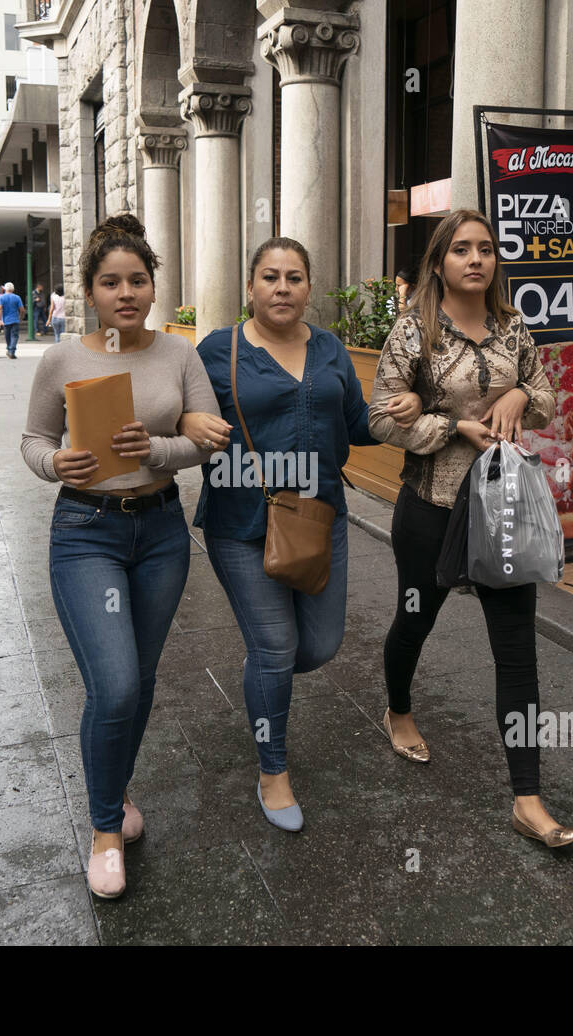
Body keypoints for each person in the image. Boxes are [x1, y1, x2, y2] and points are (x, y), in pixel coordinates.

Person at [179, 238, 422, 832]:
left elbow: (356, 425)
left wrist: (397, 413)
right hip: (241, 522)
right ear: (251, 287)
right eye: (270, 277)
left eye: (293, 277)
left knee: (318, 646)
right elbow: (173, 408)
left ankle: (266, 675)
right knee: (275, 647)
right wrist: (186, 418)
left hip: (318, 519)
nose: (282, 288)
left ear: (309, 287)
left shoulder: (333, 350)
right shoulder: (218, 350)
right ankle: (273, 770)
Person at [20, 213, 219, 899]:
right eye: (111, 282)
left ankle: (116, 787)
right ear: (91, 291)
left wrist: (155, 451)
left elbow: (207, 440)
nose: (125, 293)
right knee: (117, 685)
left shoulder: (180, 355)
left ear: (153, 288)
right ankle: (107, 829)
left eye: (137, 280)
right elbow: (32, 440)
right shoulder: (63, 359)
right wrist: (56, 463)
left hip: (162, 531)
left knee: (142, 678)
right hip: (86, 532)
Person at [366, 209, 573, 848]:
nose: (475, 259)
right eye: (461, 249)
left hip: (503, 508)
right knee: (415, 619)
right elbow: (379, 419)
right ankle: (398, 712)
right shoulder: (413, 334)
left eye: (485, 249)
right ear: (439, 262)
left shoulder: (515, 329)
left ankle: (529, 799)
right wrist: (448, 426)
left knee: (517, 649)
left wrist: (519, 398)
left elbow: (547, 396)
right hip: (430, 509)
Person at [0, 281, 25, 358]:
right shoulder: (17, 297)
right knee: (14, 336)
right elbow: (22, 310)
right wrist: (20, 318)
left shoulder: (1, 297)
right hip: (15, 319)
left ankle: (9, 349)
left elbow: (0, 308)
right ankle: (11, 350)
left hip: (6, 320)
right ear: (13, 289)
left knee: (7, 336)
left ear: (5, 289)